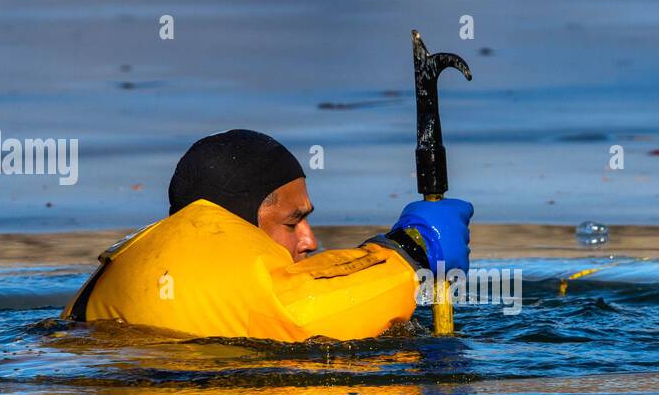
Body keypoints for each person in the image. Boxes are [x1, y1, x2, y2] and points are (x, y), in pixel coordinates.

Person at [62, 129, 473, 341]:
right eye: (293, 223)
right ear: (233, 222)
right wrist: (413, 250)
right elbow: (305, 310)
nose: (310, 241)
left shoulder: (140, 266)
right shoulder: (230, 274)